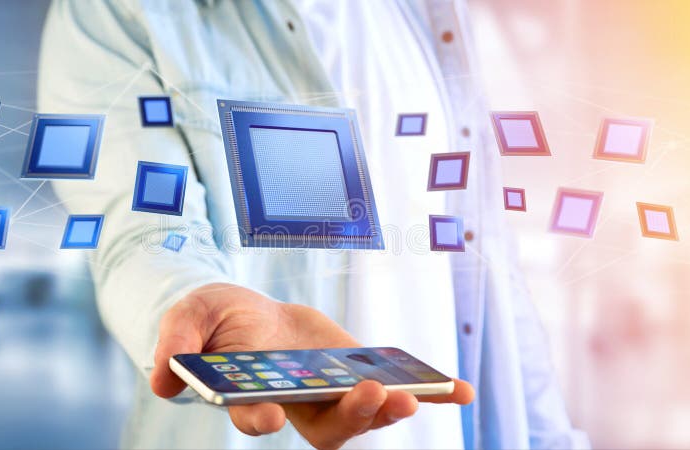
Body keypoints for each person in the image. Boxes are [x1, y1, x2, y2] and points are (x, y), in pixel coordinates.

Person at [38, 0, 589, 448]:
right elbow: (143, 229)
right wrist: (194, 299)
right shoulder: (116, 12)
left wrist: (549, 437)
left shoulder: (432, 15)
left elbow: (484, 259)